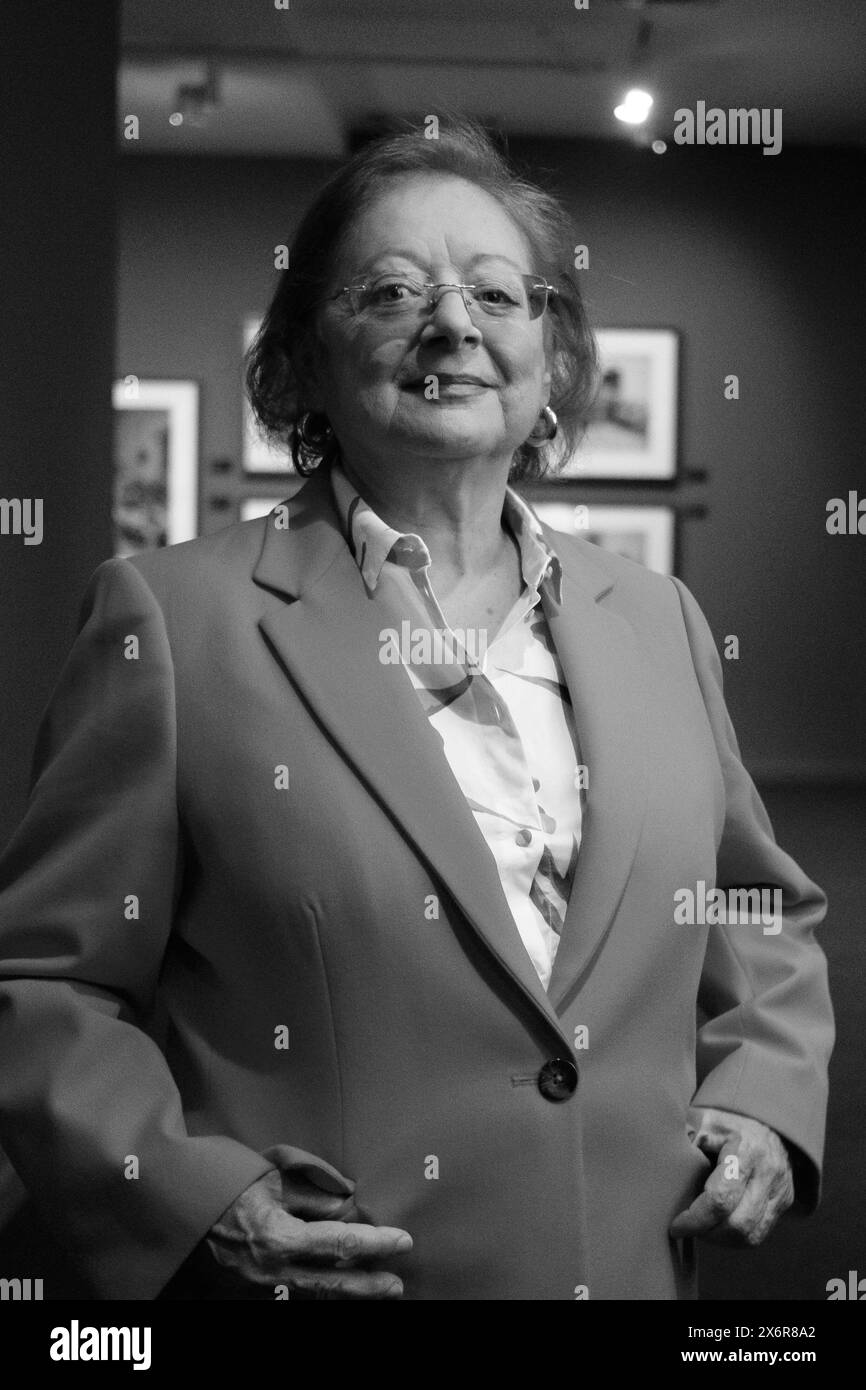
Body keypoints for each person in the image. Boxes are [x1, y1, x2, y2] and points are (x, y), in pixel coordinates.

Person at [0, 119, 833, 1301]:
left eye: (498, 293)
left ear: (550, 359)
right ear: (303, 360)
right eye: (391, 290)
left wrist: (761, 1098)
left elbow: (755, 910)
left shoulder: (656, 619)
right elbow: (45, 983)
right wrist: (194, 1198)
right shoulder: (173, 621)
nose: (453, 323)